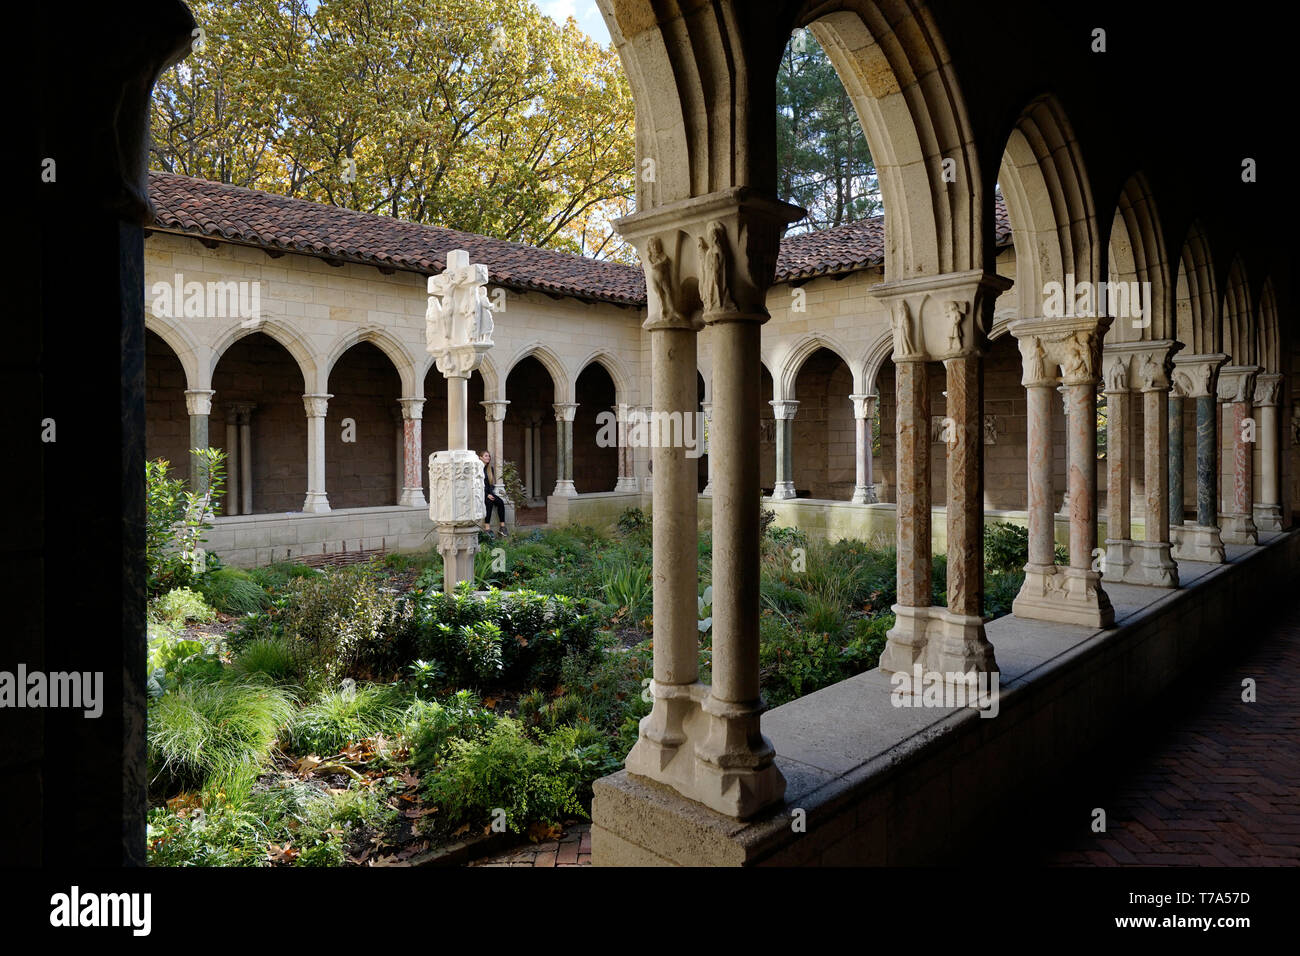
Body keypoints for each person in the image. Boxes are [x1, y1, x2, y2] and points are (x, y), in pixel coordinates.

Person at [481, 450, 506, 536]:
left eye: (489, 456)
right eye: (486, 456)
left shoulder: (490, 469)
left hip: (489, 493)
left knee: (501, 502)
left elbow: (491, 484)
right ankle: (487, 528)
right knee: (489, 503)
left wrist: (490, 493)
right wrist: (486, 495)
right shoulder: (478, 469)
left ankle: (502, 527)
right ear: (480, 458)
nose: (488, 457)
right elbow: (478, 486)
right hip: (481, 493)